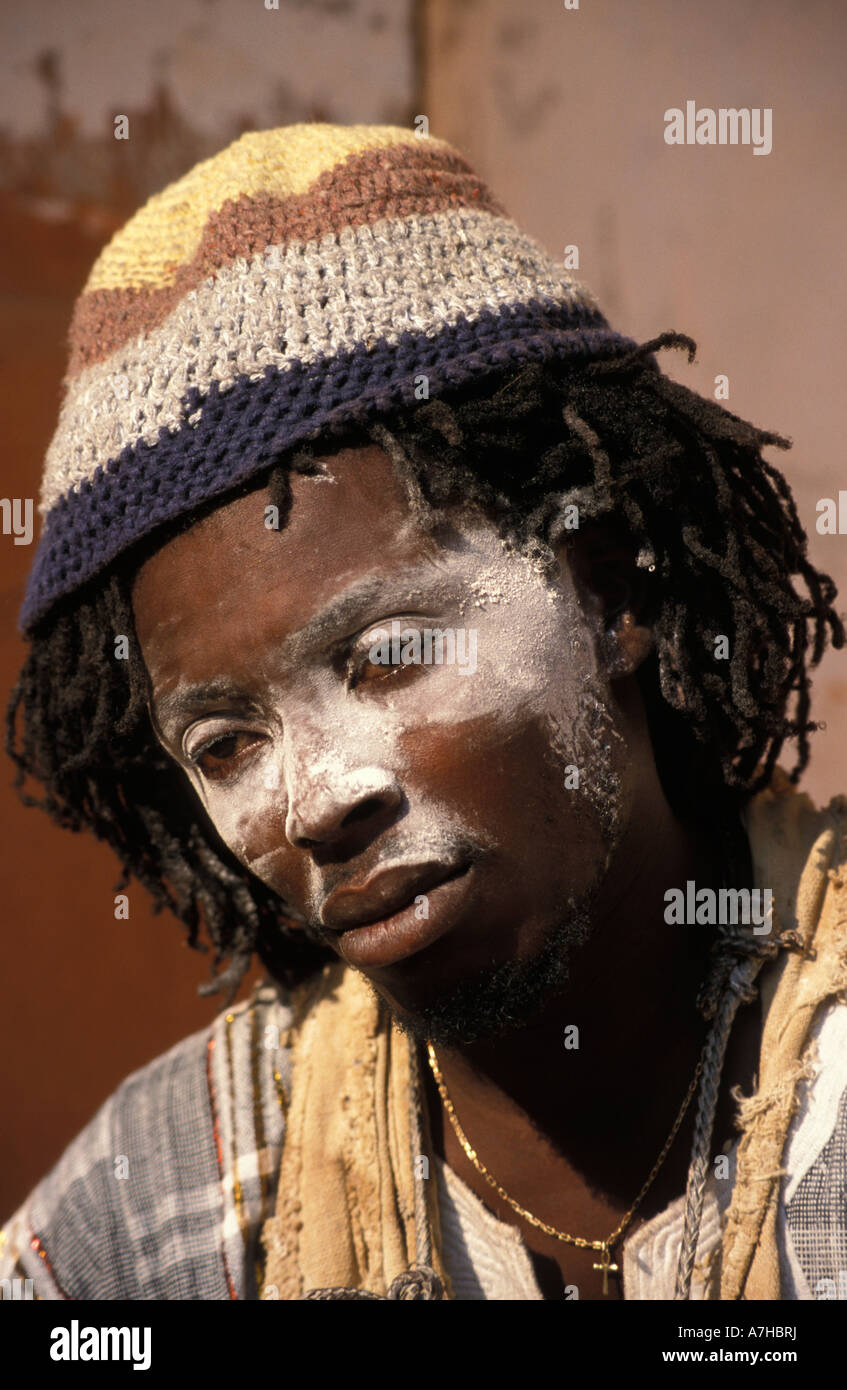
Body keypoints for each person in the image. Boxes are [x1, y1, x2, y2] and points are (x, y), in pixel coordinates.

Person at [1, 122, 845, 1302]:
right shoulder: (164, 1214)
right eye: (227, 741)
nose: (314, 801)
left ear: (607, 586)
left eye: (387, 655)